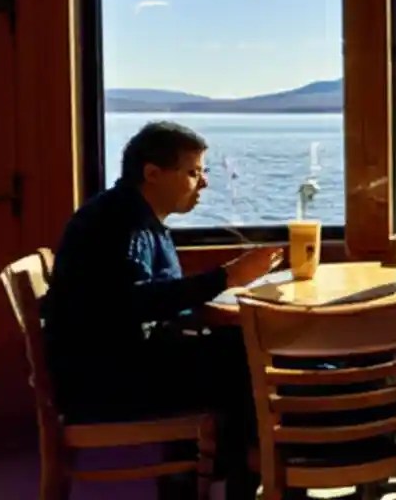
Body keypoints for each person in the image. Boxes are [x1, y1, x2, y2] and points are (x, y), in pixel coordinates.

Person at [41, 120, 281, 499]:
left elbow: (148, 298)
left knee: (235, 347)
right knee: (246, 360)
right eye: (193, 172)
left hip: (114, 363)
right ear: (152, 173)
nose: (203, 183)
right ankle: (249, 481)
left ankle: (208, 480)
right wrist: (227, 277)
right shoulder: (121, 225)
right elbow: (134, 302)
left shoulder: (133, 216)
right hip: (104, 381)